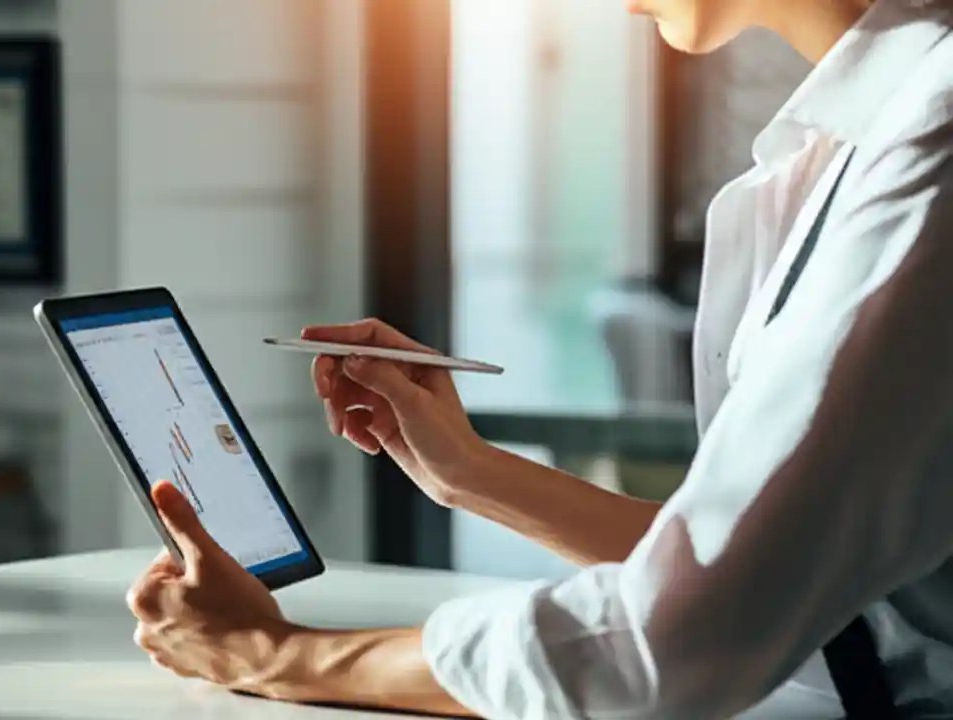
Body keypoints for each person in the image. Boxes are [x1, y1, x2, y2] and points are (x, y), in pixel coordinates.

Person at [125, 0, 953, 716]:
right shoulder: (862, 136)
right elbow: (758, 568)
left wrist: (275, 655)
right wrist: (470, 473)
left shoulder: (932, 143)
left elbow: (681, 641)